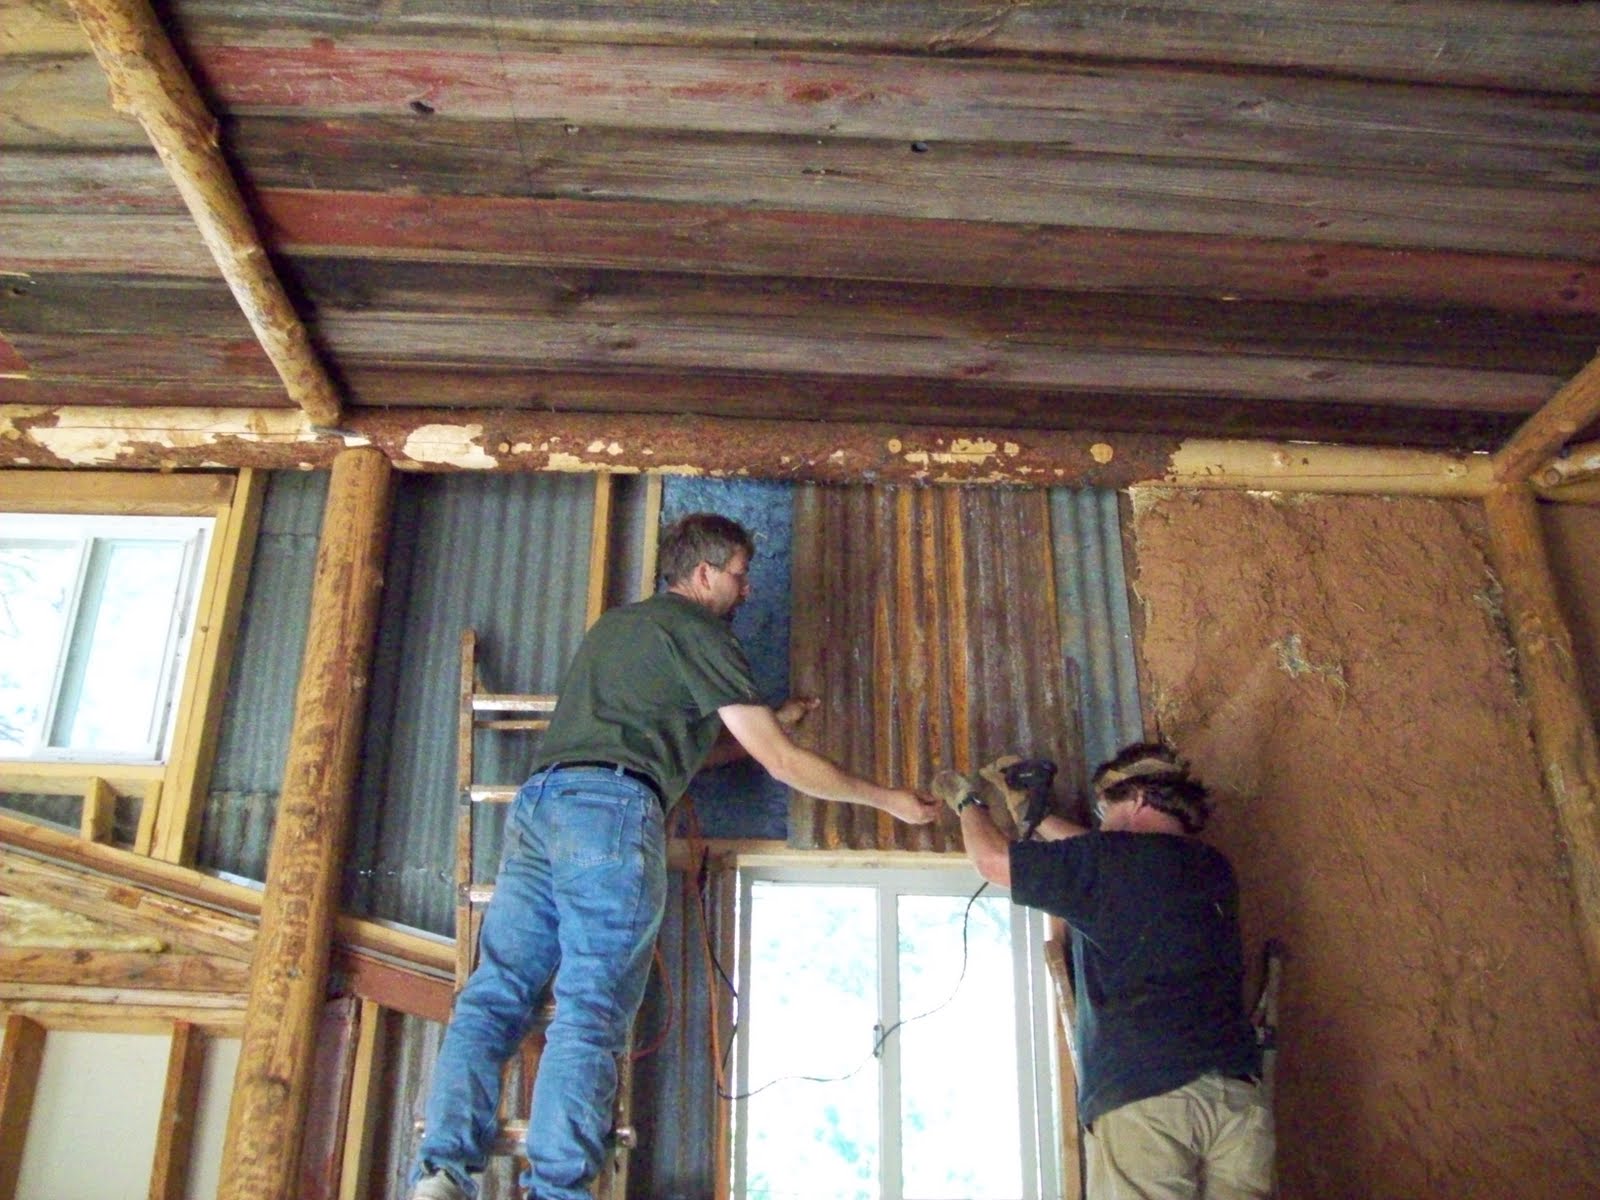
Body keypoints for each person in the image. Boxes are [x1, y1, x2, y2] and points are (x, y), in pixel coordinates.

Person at [412, 512, 938, 1200]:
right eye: (741, 575)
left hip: (541, 807)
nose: (747, 590)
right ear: (704, 574)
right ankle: (558, 1190)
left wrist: (765, 726)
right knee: (590, 1008)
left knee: (496, 993)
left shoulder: (619, 628)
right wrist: (888, 799)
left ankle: (441, 1175)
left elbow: (677, 750)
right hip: (612, 814)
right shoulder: (702, 632)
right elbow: (782, 763)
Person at [950, 743, 1274, 1200]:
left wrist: (965, 801)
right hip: (1237, 1103)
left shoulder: (1110, 862)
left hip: (1149, 1101)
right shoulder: (1213, 868)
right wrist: (1038, 818)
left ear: (1137, 800)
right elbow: (1107, 858)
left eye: (1106, 811)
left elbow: (993, 861)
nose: (1101, 825)